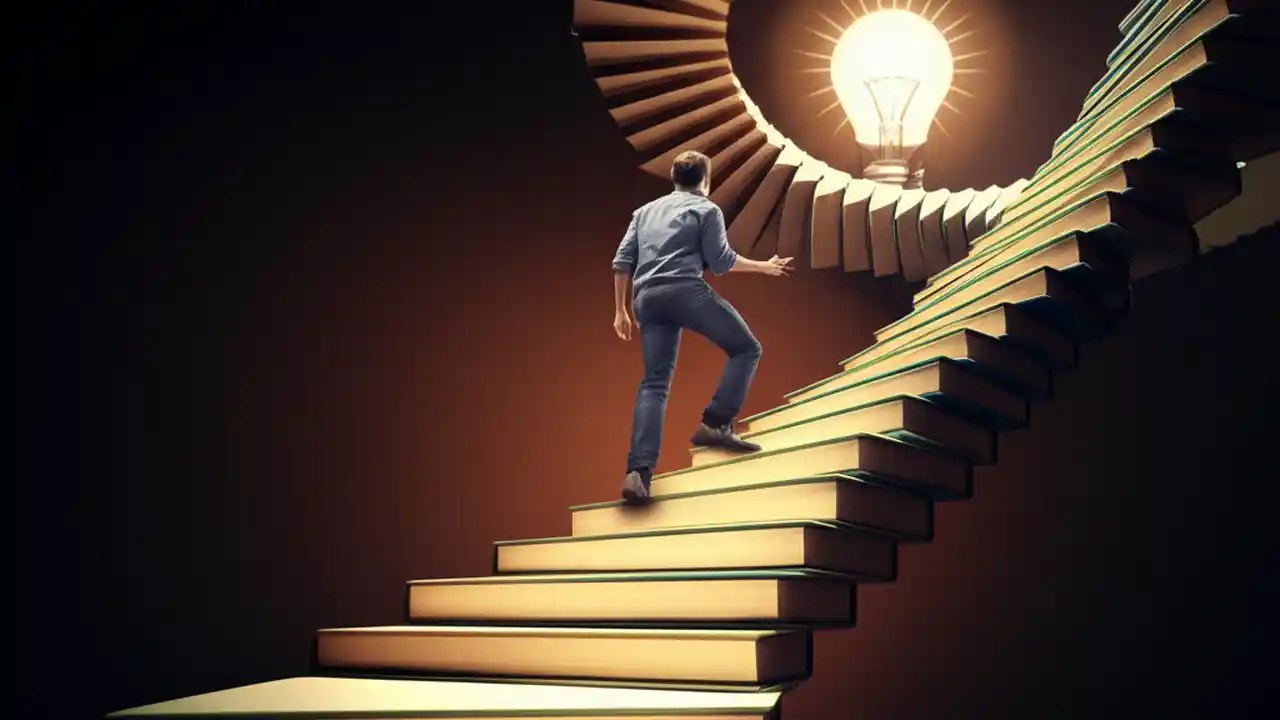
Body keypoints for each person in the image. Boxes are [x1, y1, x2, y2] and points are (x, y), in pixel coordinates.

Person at [611, 150, 794, 503]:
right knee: (746, 348)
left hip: (646, 299)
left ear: (673, 177)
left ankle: (638, 473)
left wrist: (620, 310)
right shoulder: (707, 210)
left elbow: (622, 261)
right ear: (706, 181)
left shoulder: (645, 212)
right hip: (684, 291)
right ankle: (715, 423)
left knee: (654, 384)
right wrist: (765, 267)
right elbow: (722, 262)